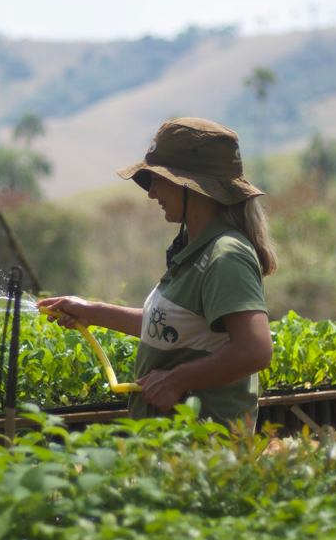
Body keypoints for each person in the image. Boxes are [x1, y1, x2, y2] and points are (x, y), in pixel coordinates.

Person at [38, 117, 277, 430]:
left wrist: (177, 380)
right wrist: (91, 312)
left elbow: (255, 350)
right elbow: (169, 328)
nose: (151, 192)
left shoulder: (225, 255)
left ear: (190, 184)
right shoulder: (194, 248)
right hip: (172, 445)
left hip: (204, 446)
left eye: (158, 179)